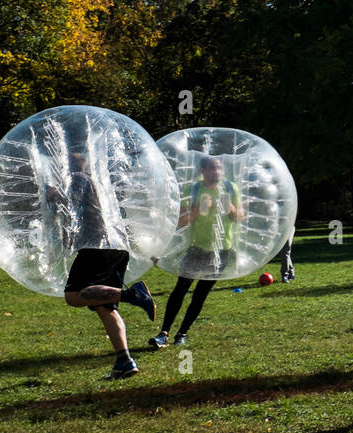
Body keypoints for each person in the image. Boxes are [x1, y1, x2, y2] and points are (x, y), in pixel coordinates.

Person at [48, 150, 156, 380]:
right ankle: (124, 361)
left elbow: (70, 205)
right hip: (115, 246)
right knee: (104, 305)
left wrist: (53, 194)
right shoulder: (97, 180)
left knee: (73, 295)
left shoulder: (77, 177)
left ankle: (133, 295)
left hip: (96, 247)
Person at [149, 155, 241, 349]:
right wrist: (199, 209)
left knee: (200, 295)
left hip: (222, 250)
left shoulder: (231, 188)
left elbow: (239, 218)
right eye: (211, 168)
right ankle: (164, 333)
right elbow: (182, 222)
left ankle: (182, 333)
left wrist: (230, 207)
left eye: (218, 168)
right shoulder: (193, 189)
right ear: (203, 172)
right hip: (196, 248)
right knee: (180, 289)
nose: (216, 172)